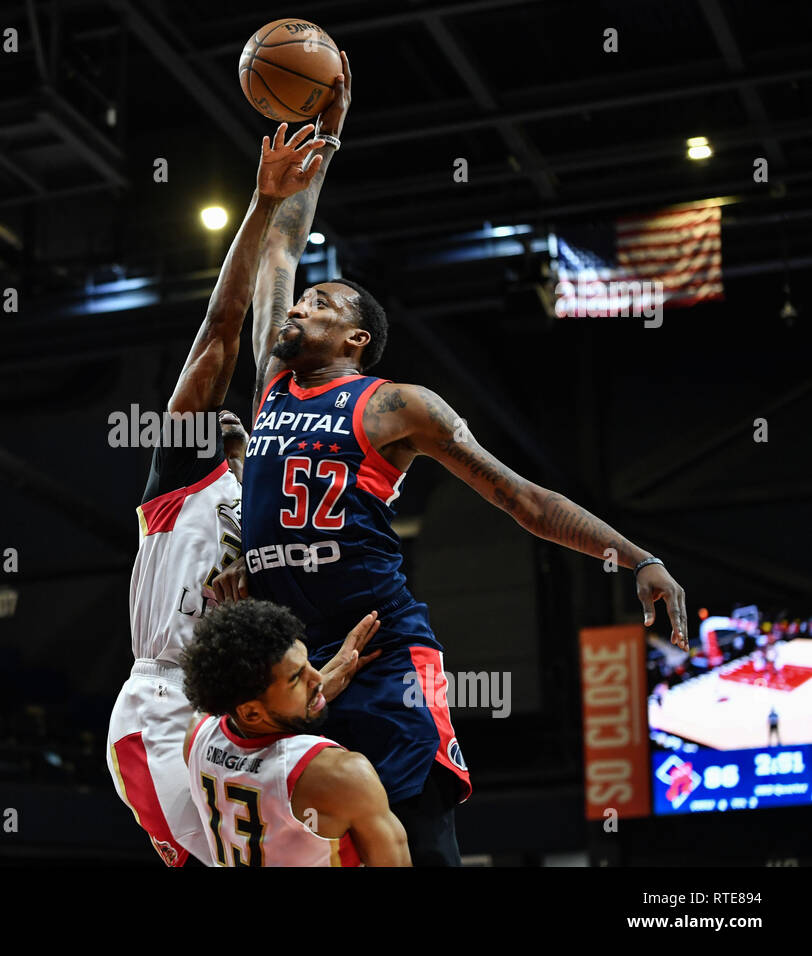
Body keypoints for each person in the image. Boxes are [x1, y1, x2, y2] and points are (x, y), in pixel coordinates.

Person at [218, 50, 690, 865]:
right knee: (322, 848)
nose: (298, 306)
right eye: (301, 301)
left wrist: (636, 554)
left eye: (320, 305)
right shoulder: (268, 383)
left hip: (385, 654)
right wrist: (327, 130)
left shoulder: (395, 405)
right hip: (294, 659)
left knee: (422, 839)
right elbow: (281, 244)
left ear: (356, 339)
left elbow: (521, 499)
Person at [106, 99, 378, 866]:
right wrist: (266, 200)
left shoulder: (275, 489)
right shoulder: (181, 479)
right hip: (164, 707)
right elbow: (226, 325)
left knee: (338, 847)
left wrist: (316, 680)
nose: (232, 417)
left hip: (245, 712)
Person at [181, 599, 409, 867]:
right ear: (252, 713)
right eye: (296, 678)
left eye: (307, 663)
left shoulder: (196, 734)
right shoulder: (339, 774)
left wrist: (309, 694)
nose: (316, 678)